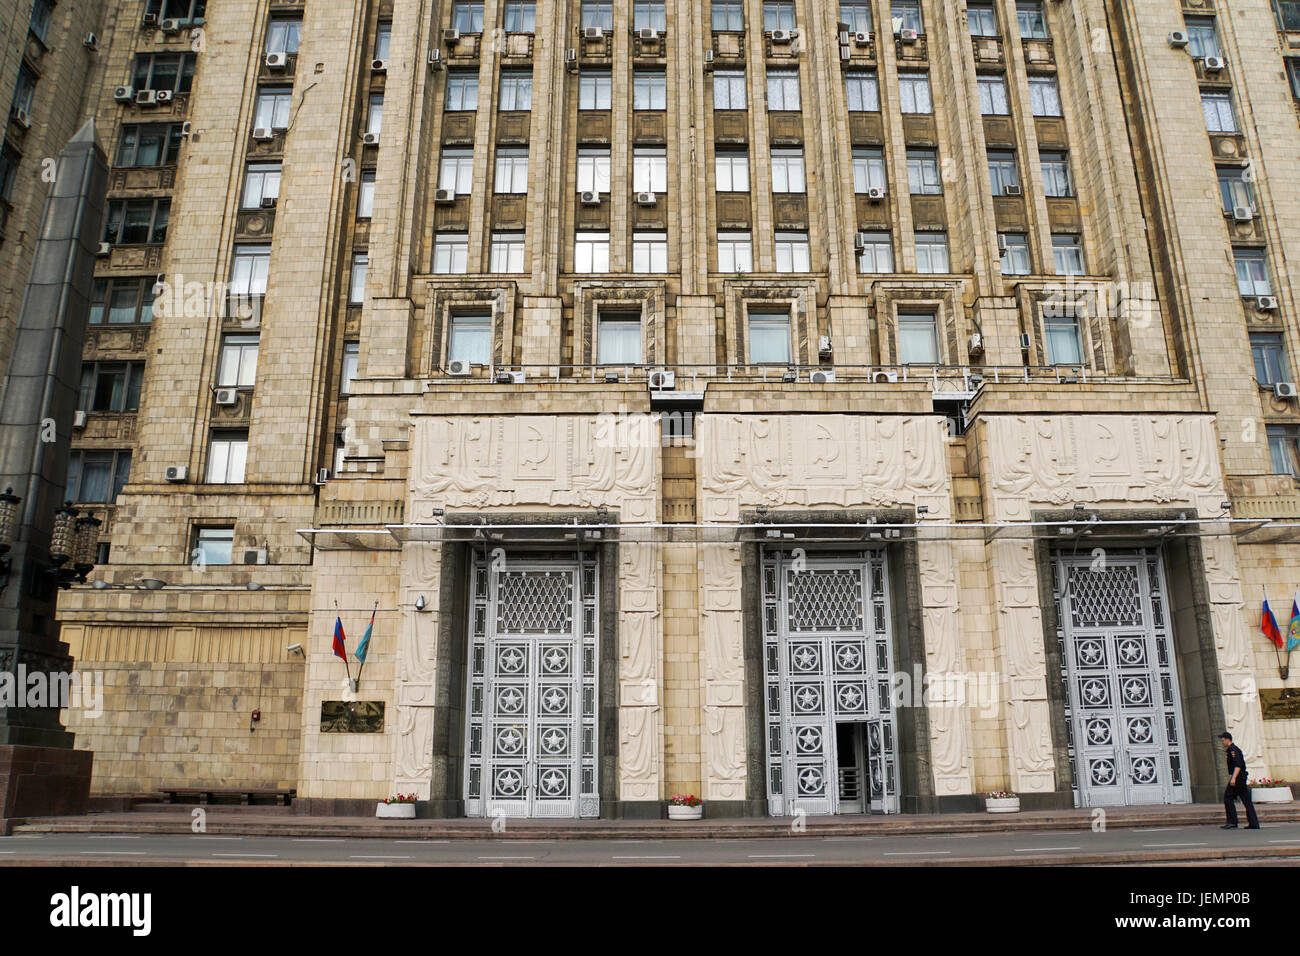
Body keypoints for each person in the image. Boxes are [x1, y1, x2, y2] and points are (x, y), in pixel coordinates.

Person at [1220, 732, 1260, 830]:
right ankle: (1254, 823)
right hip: (1240, 778)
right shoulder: (1232, 749)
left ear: (1227, 739)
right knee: (1246, 801)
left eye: (1223, 740)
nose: (1222, 742)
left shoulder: (1233, 750)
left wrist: (1233, 778)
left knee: (1228, 798)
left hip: (1238, 779)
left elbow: (1237, 765)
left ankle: (1232, 821)